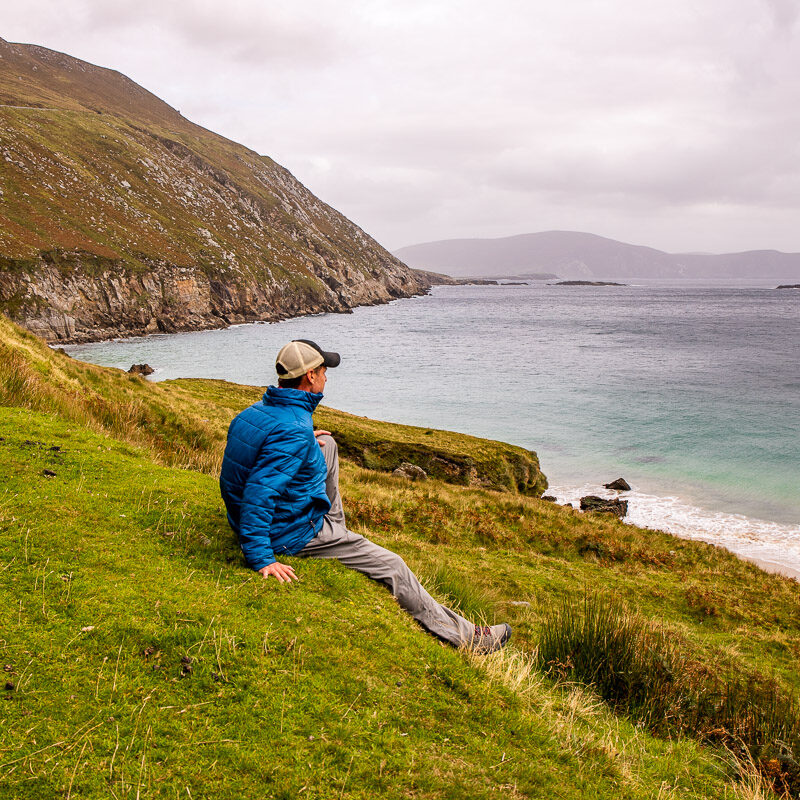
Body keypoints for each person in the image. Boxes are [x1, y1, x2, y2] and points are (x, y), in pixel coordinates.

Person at [219, 339, 512, 653]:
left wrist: (304, 440)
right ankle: (467, 638)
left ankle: (337, 529)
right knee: (394, 565)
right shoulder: (292, 431)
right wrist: (262, 557)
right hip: (289, 533)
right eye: (323, 371)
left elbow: (248, 469)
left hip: (272, 516)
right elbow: (259, 494)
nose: (327, 377)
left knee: (327, 446)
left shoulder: (258, 412)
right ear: (310, 377)